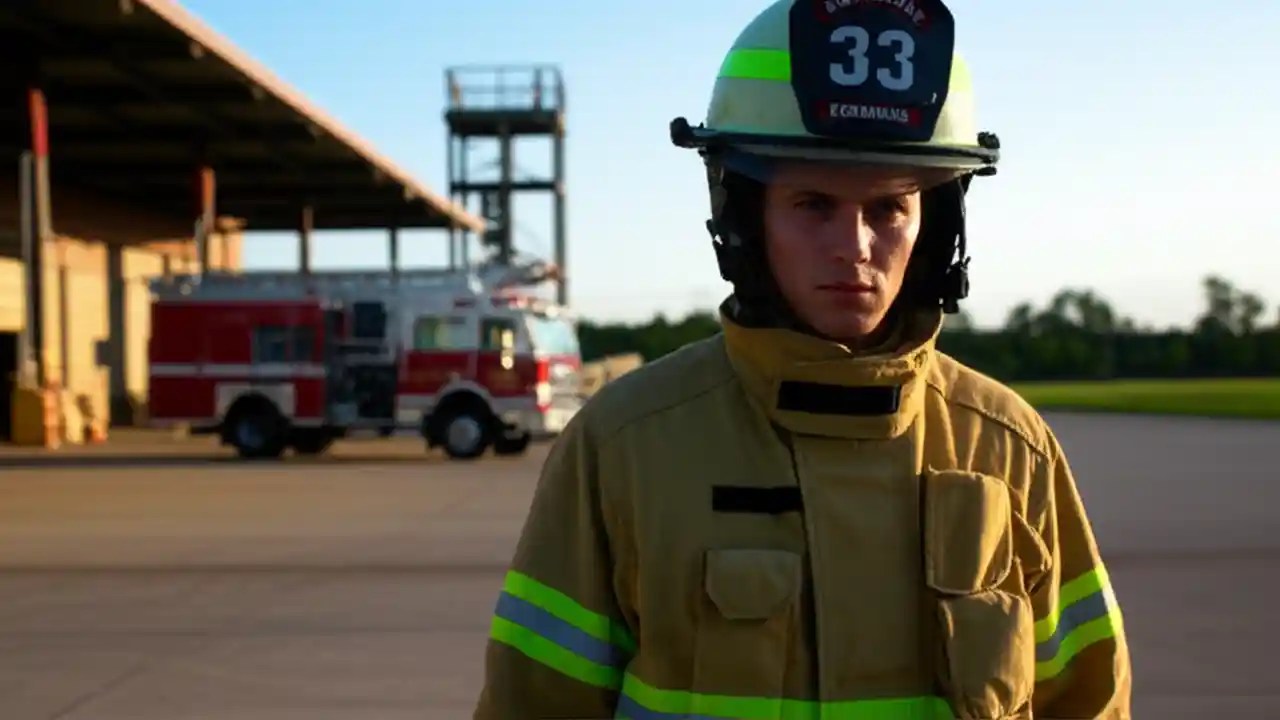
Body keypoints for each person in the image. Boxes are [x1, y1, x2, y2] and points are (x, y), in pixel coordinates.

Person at [471, 0, 1132, 717]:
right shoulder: (621, 446)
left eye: (889, 209)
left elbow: (1087, 698)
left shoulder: (1011, 449)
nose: (853, 247)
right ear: (744, 215)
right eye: (813, 204)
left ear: (935, 226)